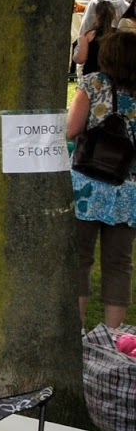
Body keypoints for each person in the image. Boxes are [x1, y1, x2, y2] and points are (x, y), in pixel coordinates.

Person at [67, 28, 136, 330]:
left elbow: (70, 130)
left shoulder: (93, 84)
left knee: (79, 257)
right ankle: (112, 334)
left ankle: (77, 326)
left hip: (87, 184)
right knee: (119, 263)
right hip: (129, 189)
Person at [78, 0, 118, 76]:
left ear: (97, 16)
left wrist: (74, 56)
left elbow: (80, 59)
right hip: (113, 76)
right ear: (114, 16)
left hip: (91, 76)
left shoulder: (88, 35)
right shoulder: (118, 35)